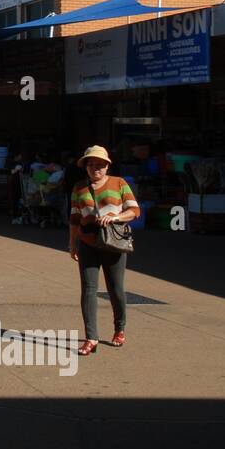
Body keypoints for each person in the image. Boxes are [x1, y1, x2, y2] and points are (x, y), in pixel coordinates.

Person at [68, 146, 139, 356]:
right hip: (88, 242)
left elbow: (134, 211)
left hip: (113, 243)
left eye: (100, 165)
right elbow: (74, 218)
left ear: (107, 166)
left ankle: (119, 329)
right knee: (88, 289)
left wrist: (115, 217)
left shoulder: (119, 183)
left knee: (115, 288)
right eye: (91, 164)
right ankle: (91, 337)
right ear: (86, 167)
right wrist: (72, 244)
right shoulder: (79, 187)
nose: (95, 168)